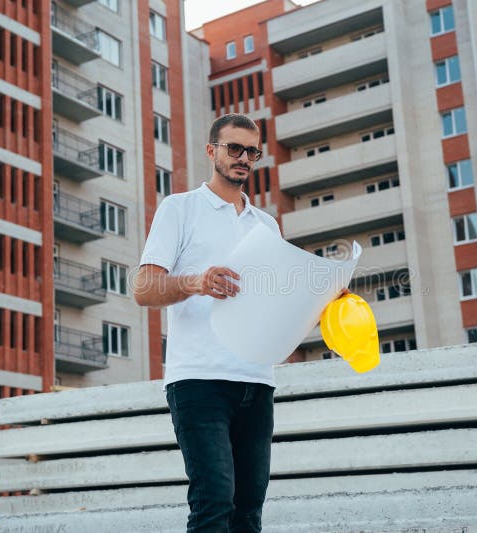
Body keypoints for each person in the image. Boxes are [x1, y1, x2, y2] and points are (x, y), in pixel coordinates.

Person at [133, 113, 280, 532]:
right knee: (214, 503)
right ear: (211, 150)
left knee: (248, 512)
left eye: (252, 152)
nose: (244, 159)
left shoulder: (266, 225)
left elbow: (277, 298)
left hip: (257, 379)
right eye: (235, 148)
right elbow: (144, 289)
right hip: (199, 380)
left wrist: (326, 296)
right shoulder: (180, 208)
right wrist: (197, 281)